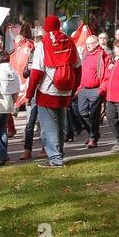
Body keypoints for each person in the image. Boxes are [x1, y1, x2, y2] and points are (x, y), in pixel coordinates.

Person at [25, 15, 81, 168]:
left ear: (46, 27)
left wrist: (29, 94)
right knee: (60, 126)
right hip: (65, 90)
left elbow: (36, 73)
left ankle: (55, 159)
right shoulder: (70, 42)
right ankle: (59, 155)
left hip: (47, 91)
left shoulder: (43, 44)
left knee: (48, 129)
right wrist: (74, 88)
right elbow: (77, 68)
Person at [77, 34, 110, 149]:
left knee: (94, 115)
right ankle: (93, 133)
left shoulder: (103, 55)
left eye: (90, 44)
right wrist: (79, 87)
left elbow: (106, 74)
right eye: (86, 44)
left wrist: (101, 89)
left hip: (96, 89)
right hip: (83, 89)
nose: (88, 46)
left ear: (96, 44)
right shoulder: (85, 55)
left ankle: (93, 138)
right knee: (82, 113)